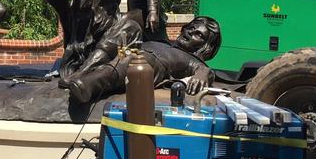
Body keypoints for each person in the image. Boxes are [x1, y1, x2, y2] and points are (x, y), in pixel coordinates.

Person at [67, 14, 221, 103]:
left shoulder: (193, 60)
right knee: (130, 26)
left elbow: (206, 71)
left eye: (198, 34)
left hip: (147, 66)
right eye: (191, 28)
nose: (190, 32)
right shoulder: (164, 42)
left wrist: (202, 75)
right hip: (125, 54)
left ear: (206, 47)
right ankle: (84, 71)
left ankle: (89, 84)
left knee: (136, 60)